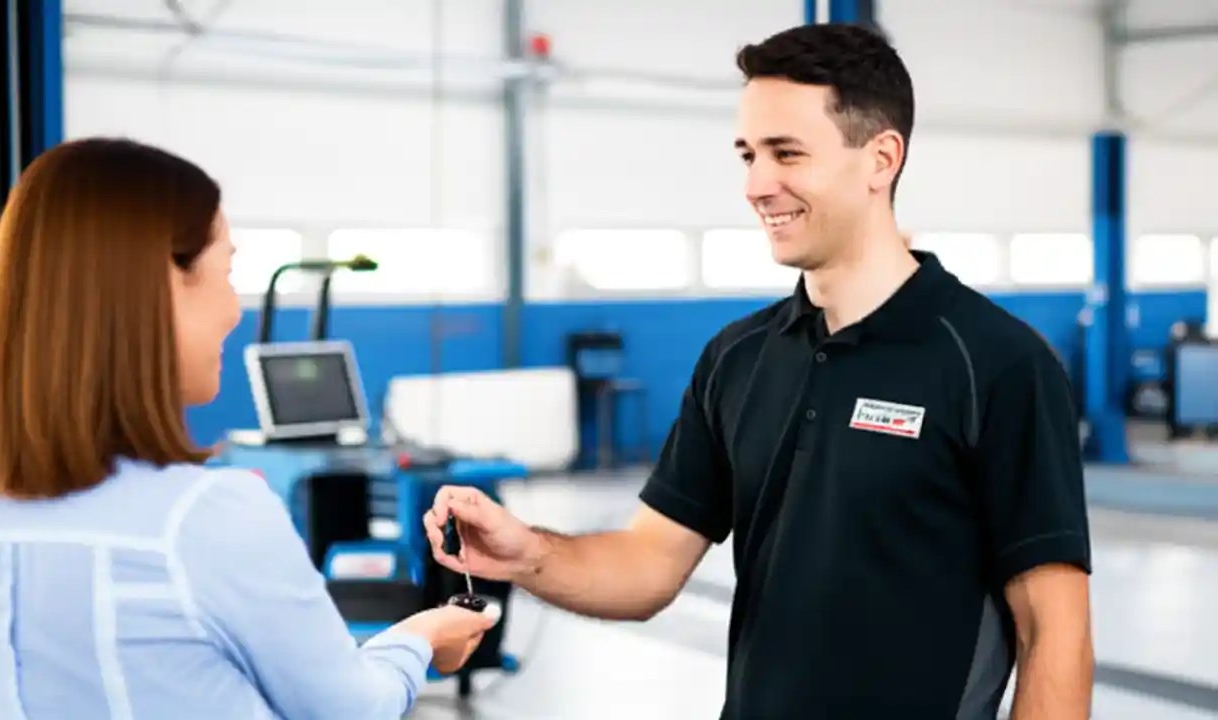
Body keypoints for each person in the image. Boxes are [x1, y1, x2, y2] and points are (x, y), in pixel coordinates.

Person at [424, 23, 1093, 719]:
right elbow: (648, 564)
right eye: (747, 155)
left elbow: (1055, 631)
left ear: (881, 159)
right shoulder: (737, 358)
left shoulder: (997, 364)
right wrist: (527, 552)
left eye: (786, 154)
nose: (755, 185)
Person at [0, 137, 497, 719]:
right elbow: (352, 710)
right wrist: (421, 637)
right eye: (225, 272)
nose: (234, 309)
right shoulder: (207, 515)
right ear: (158, 285)